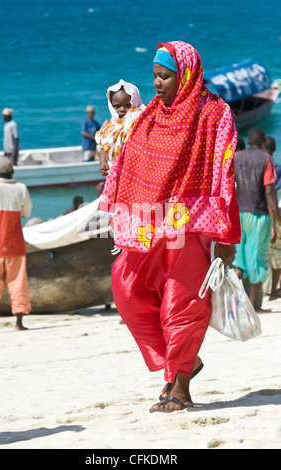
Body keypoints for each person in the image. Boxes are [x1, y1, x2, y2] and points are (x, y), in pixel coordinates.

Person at [99, 41, 241, 412]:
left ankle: (179, 389)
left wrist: (227, 236)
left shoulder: (214, 114)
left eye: (165, 77)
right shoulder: (150, 117)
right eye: (155, 77)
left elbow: (225, 172)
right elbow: (131, 163)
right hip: (149, 225)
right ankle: (184, 365)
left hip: (191, 225)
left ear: (187, 75)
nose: (158, 84)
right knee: (126, 288)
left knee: (181, 305)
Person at [0, 157, 32, 334]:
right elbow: (26, 212)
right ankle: (18, 324)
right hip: (16, 246)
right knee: (18, 284)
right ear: (12, 171)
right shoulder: (21, 188)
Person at [233, 129, 281, 311]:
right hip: (258, 215)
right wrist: (278, 221)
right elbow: (269, 193)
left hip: (238, 214)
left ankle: (235, 302)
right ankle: (254, 307)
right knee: (258, 260)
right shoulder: (266, 159)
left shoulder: (236, 158)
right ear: (262, 143)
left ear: (249, 141)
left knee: (240, 261)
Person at [95, 80, 145, 177]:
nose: (122, 109)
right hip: (114, 170)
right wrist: (102, 163)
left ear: (134, 102)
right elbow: (103, 147)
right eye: (117, 106)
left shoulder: (139, 120)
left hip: (135, 169)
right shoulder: (109, 126)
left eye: (127, 105)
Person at [264, 136, 281, 299]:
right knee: (275, 253)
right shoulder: (275, 166)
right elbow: (272, 196)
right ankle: (272, 291)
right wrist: (276, 222)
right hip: (268, 215)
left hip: (248, 213)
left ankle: (263, 289)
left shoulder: (254, 161)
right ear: (274, 149)